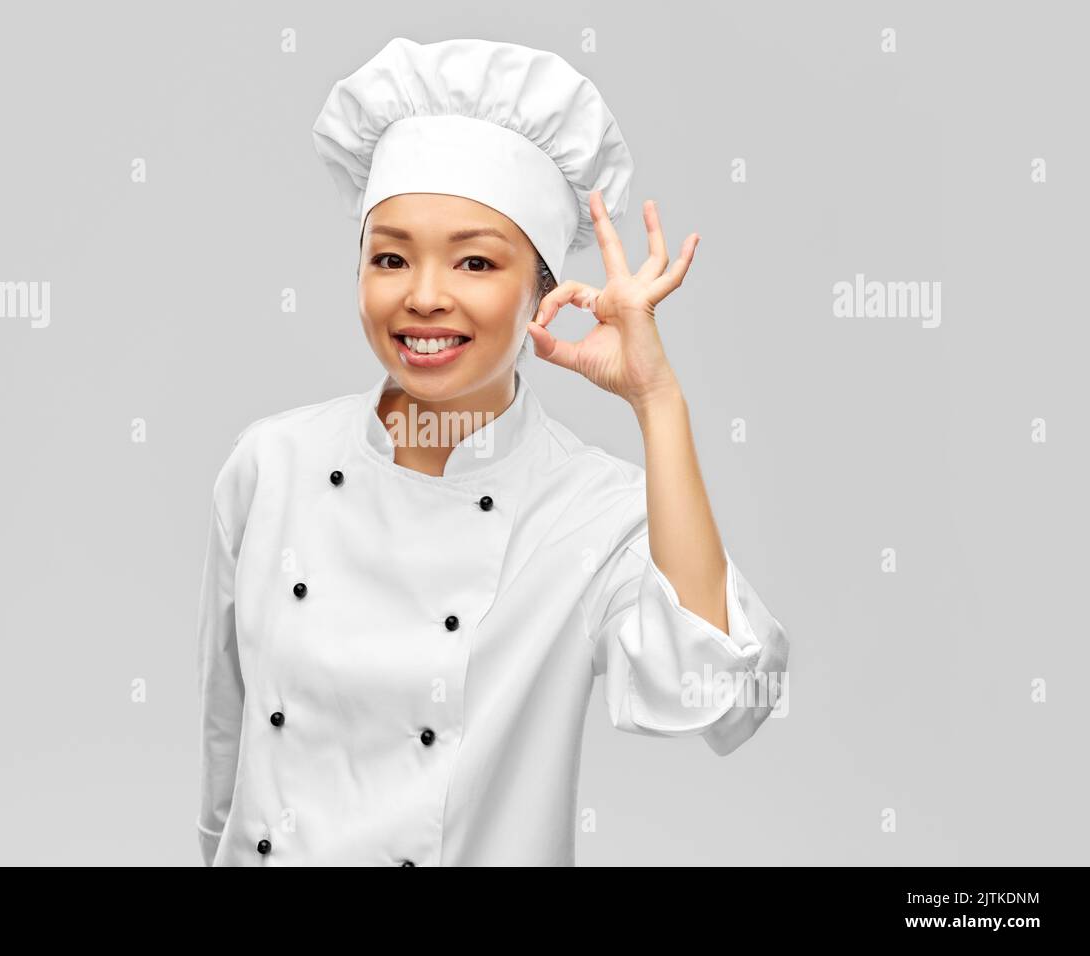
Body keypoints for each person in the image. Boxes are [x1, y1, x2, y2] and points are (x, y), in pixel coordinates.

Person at [196, 36, 790, 867]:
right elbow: (227, 746)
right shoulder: (271, 464)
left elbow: (722, 693)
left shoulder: (591, 511)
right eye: (390, 257)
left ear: (543, 293)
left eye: (476, 260)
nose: (424, 295)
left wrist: (658, 401)